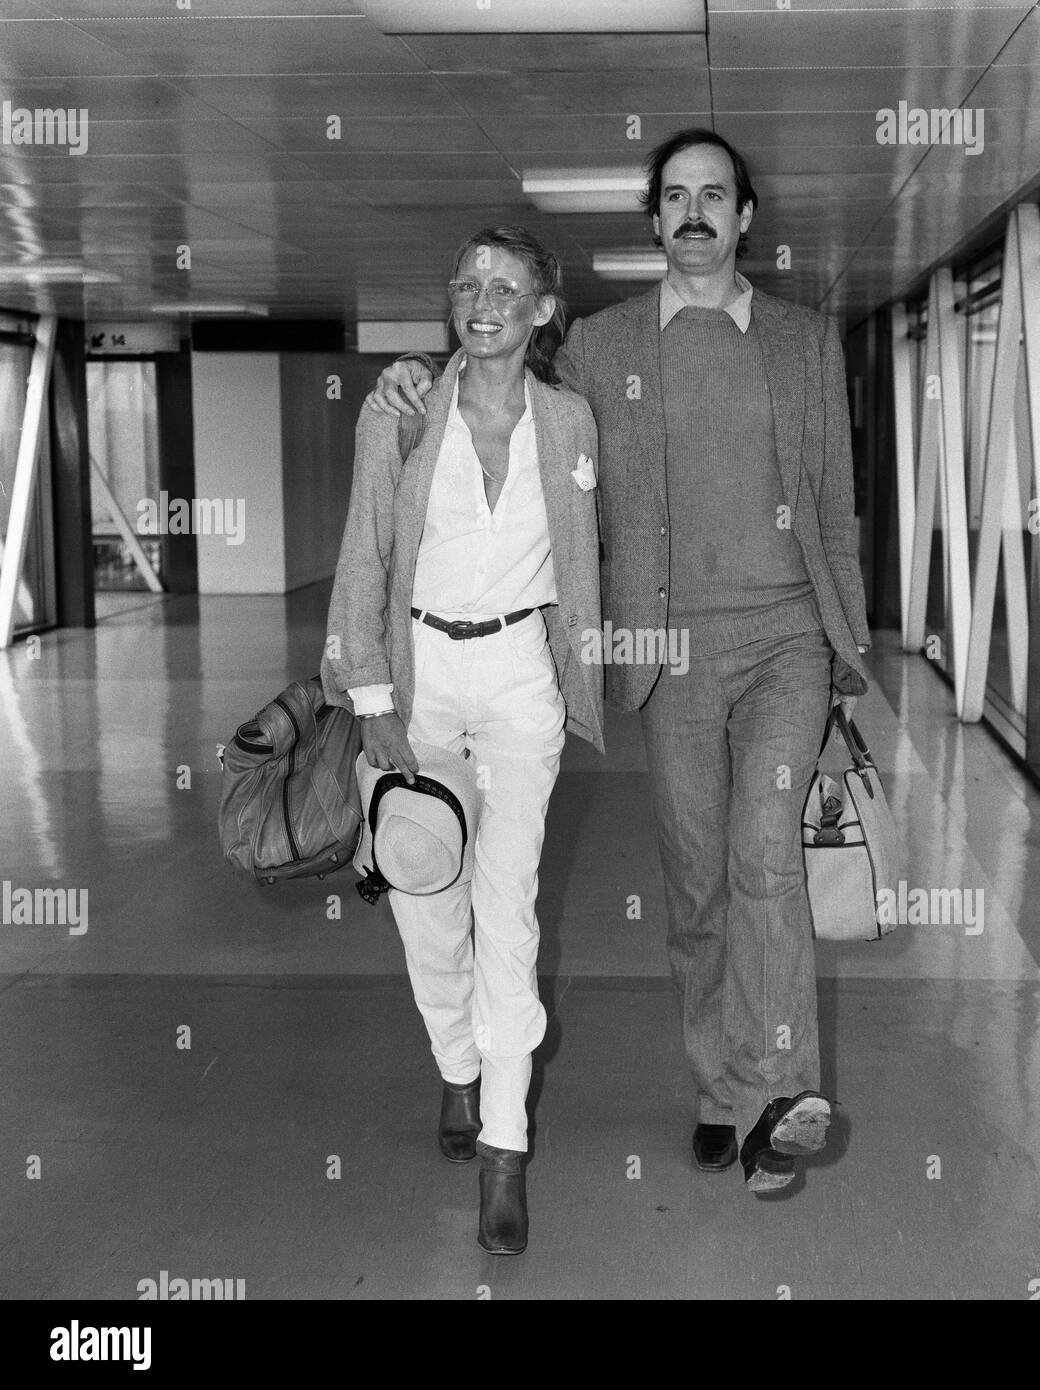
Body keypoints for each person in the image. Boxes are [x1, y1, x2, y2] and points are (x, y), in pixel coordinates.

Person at [368, 130, 870, 1194]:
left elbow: (834, 505)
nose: (694, 213)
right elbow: (495, 367)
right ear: (654, 221)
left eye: (715, 196)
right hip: (666, 649)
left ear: (744, 218)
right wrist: (416, 376)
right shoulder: (601, 347)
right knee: (694, 886)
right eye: (675, 197)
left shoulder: (804, 341)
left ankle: (778, 1098)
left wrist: (846, 648)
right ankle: (718, 1088)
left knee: (763, 859)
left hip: (786, 639)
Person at [323, 225, 603, 1254]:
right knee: (422, 894)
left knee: (509, 906)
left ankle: (503, 1142)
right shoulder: (400, 412)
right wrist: (368, 695)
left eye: (507, 285)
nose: (482, 297)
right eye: (467, 282)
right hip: (421, 673)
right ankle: (457, 1058)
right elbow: (362, 552)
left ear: (542, 311)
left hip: (521, 676)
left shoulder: (570, 421)